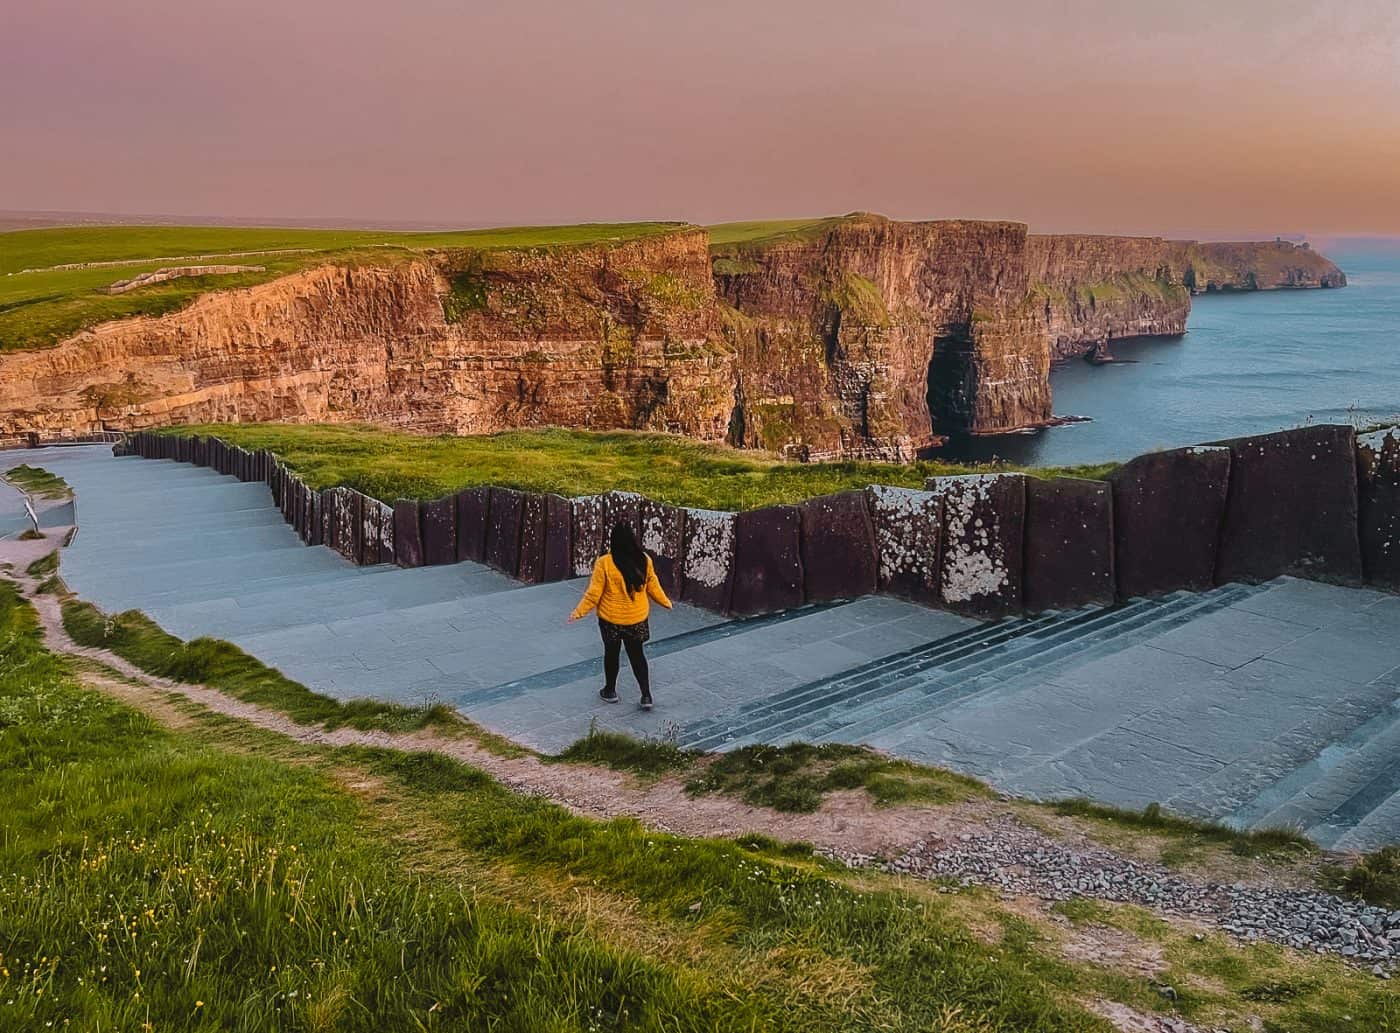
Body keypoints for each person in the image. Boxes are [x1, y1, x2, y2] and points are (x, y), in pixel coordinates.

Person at [568, 522, 672, 709]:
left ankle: (610, 691)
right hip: (636, 618)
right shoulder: (644, 559)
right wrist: (665, 602)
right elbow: (653, 585)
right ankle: (646, 695)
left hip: (611, 620)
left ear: (613, 541)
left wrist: (578, 612)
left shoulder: (604, 563)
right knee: (637, 655)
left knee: (611, 654)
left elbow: (594, 594)